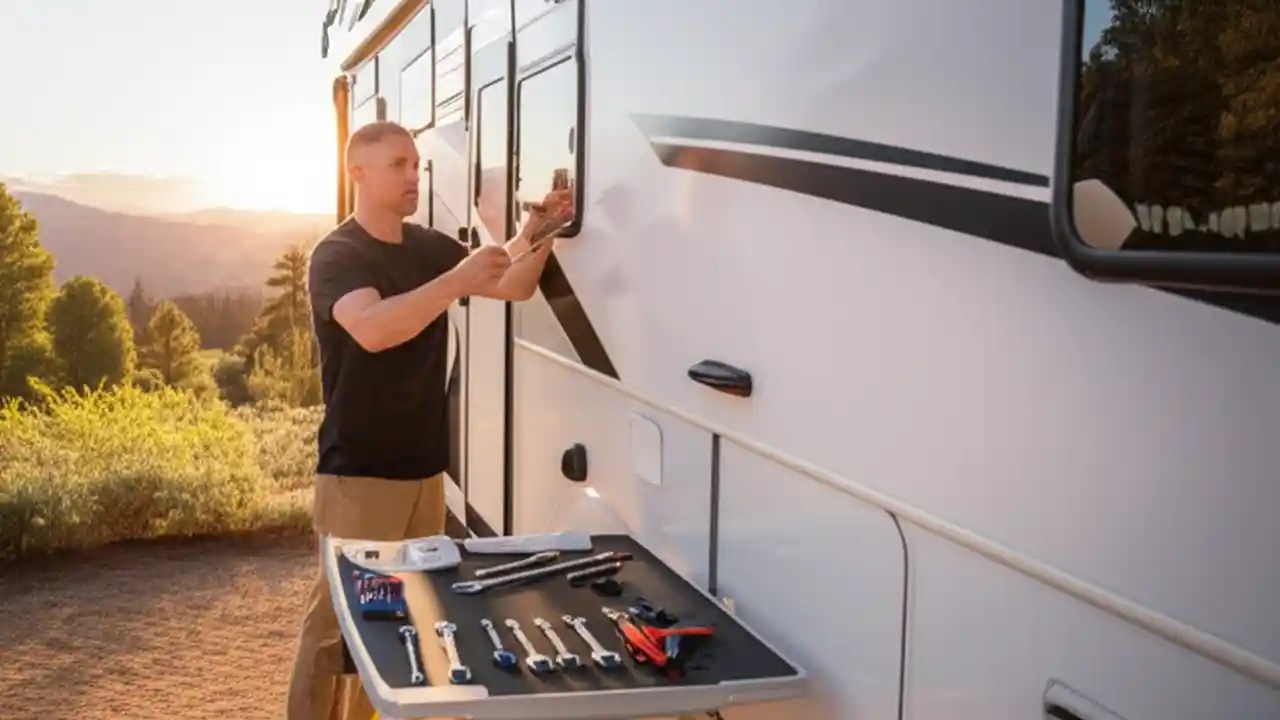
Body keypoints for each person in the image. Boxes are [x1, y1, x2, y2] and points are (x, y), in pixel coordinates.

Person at [286, 120, 571, 720]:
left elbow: (514, 282)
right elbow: (375, 328)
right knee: (337, 623)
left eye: (416, 164)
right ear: (357, 173)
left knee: (396, 619)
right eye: (397, 165)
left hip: (423, 472)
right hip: (358, 473)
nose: (414, 176)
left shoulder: (427, 247)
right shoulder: (337, 256)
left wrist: (540, 230)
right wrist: (456, 280)